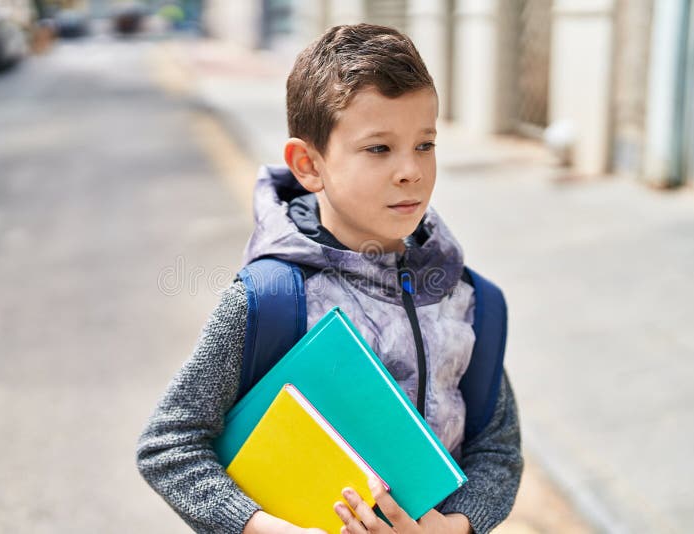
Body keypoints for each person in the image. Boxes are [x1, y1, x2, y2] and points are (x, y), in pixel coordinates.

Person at [137, 23, 523, 534]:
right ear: (308, 164)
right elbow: (169, 443)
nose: (411, 170)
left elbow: (497, 449)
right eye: (379, 149)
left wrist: (454, 528)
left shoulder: (468, 299)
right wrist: (266, 529)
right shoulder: (271, 301)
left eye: (425, 145)